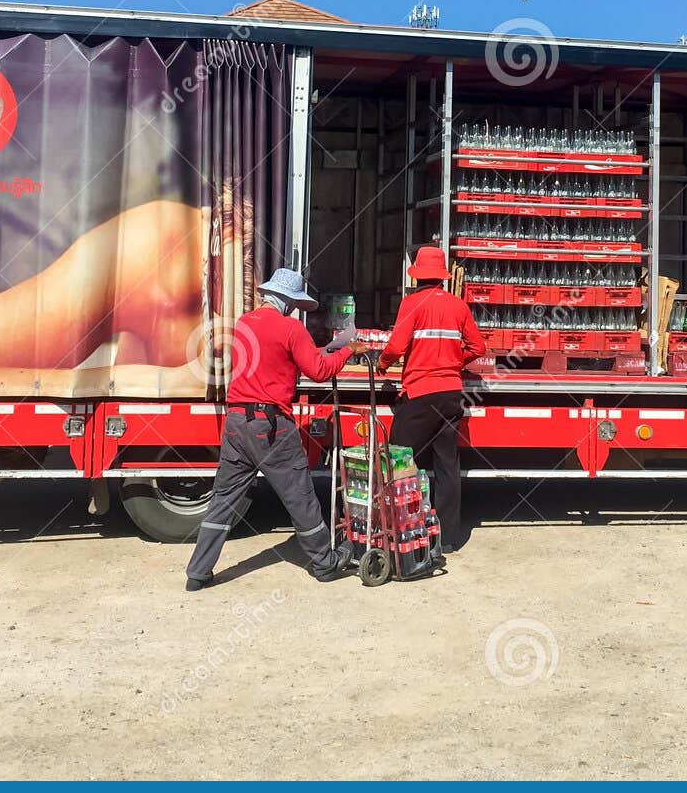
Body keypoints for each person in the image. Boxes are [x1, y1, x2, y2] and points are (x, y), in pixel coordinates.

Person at [185, 267, 367, 591]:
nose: (296, 309)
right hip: (271, 427)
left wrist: (328, 349)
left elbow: (282, 358)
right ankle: (325, 563)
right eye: (295, 304)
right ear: (287, 300)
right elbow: (319, 370)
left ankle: (198, 572)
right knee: (300, 496)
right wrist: (347, 351)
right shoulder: (290, 328)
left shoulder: (244, 324)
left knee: (223, 499)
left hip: (236, 423)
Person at [378, 246, 486, 554]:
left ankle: (401, 531)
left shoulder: (411, 303)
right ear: (441, 277)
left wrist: (382, 364)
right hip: (451, 394)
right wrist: (453, 360)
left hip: (420, 392)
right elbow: (478, 347)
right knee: (447, 465)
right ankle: (450, 537)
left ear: (417, 276)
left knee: (399, 460)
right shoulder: (458, 305)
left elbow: (397, 345)